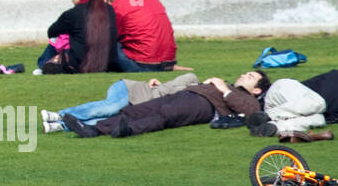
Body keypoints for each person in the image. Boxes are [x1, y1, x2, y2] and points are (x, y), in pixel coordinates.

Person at [70, 71, 269, 138]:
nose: (244, 75)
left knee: (166, 114)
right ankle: (94, 129)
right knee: (140, 108)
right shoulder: (231, 86)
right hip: (188, 94)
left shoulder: (250, 101)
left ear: (257, 90)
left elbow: (249, 112)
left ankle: (128, 130)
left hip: (204, 105)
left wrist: (223, 88)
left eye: (250, 76)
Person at [43, 72, 198, 134]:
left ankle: (60, 125)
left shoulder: (189, 101)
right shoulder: (192, 81)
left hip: (137, 106)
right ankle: (60, 114)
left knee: (107, 120)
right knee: (109, 108)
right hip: (130, 90)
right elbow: (187, 77)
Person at [35, 0, 121, 75]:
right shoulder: (110, 9)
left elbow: (51, 32)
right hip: (109, 65)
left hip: (79, 65)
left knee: (57, 38)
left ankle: (42, 64)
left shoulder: (73, 13)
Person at [105, 0, 179, 72]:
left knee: (104, 38)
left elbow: (110, 35)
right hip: (168, 63)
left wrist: (106, 9)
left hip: (142, 65)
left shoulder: (119, 5)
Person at [248, 69, 338, 141]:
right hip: (278, 93)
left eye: (249, 76)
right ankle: (269, 116)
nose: (242, 75)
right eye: (248, 76)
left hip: (320, 109)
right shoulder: (235, 91)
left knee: (319, 119)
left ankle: (275, 126)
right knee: (317, 104)